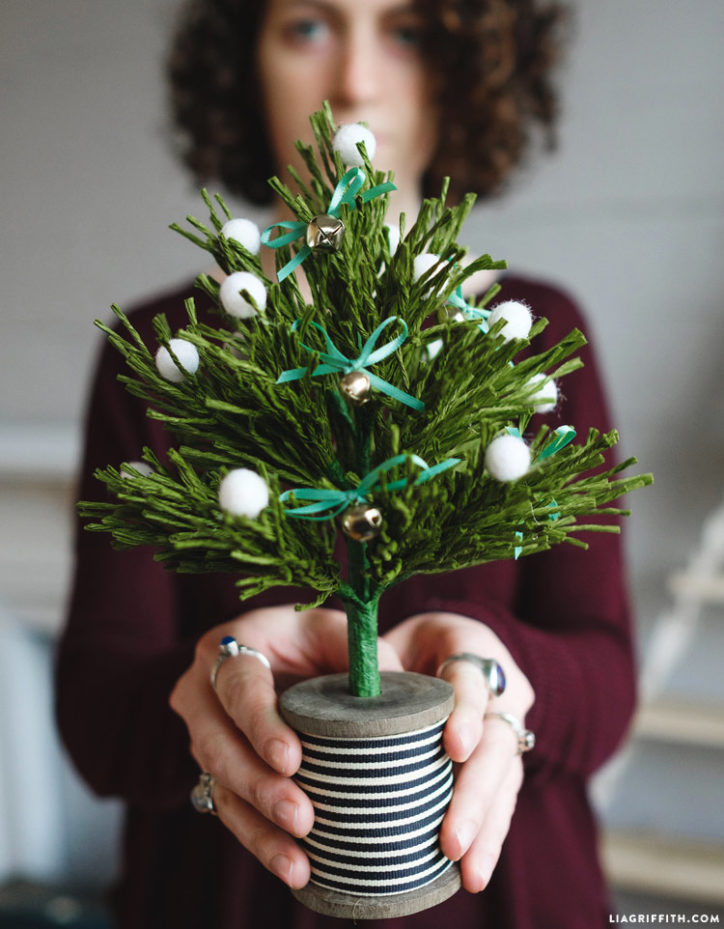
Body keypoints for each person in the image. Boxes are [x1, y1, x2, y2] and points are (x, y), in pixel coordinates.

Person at [56, 1, 636, 927]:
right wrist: (210, 692)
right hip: (225, 899)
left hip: (513, 898)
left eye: (405, 30)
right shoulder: (171, 361)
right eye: (308, 28)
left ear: (470, 63)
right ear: (241, 58)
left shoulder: (534, 339)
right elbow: (94, 713)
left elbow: (605, 675)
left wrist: (500, 669)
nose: (355, 83)